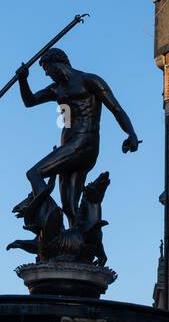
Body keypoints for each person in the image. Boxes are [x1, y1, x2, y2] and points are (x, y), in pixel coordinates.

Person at [13, 48, 140, 226]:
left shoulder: (88, 80)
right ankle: (74, 241)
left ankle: (48, 219)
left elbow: (116, 109)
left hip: (83, 142)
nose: (47, 74)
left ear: (57, 64)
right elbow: (30, 101)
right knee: (69, 207)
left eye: (47, 69)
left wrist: (131, 133)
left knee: (34, 173)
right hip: (69, 147)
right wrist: (22, 80)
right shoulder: (56, 88)